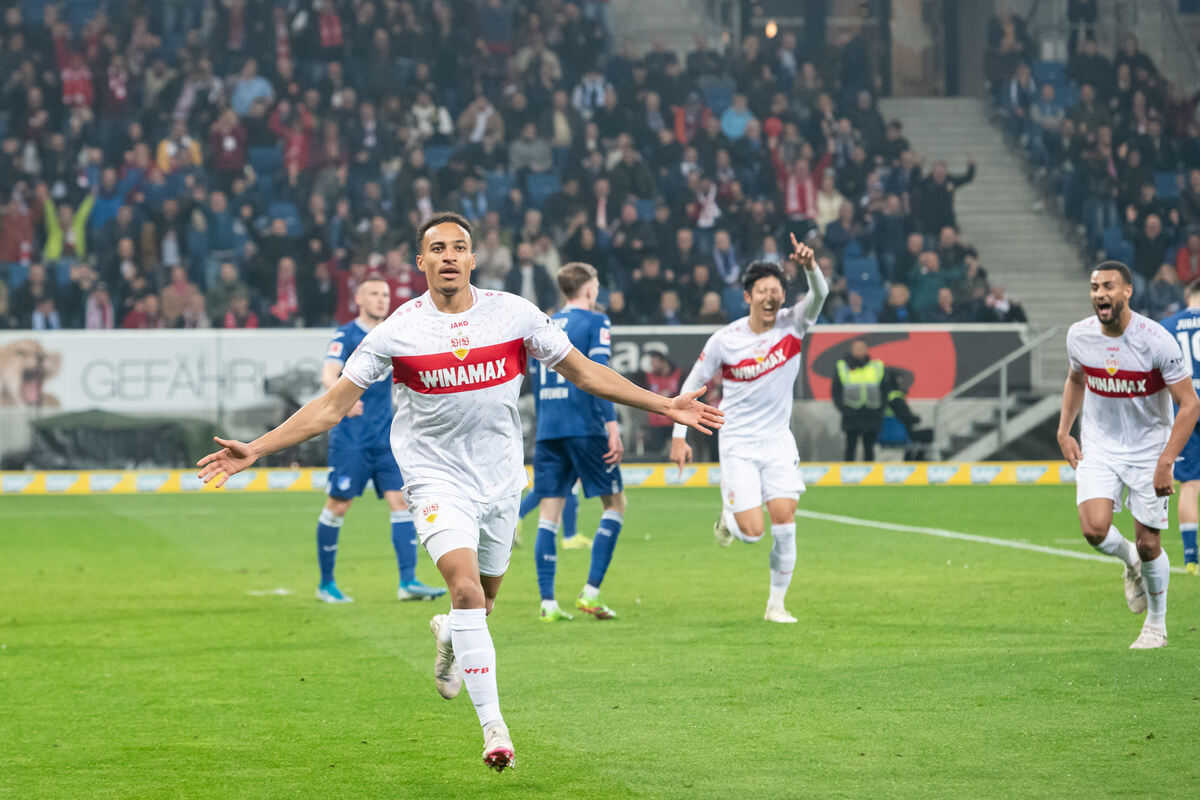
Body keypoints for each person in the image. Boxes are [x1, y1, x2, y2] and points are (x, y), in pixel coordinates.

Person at [197, 212, 722, 772]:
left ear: (473, 259)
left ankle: (449, 633)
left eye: (459, 247)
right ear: (420, 262)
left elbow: (586, 372)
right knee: (467, 590)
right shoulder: (398, 330)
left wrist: (665, 404)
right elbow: (329, 407)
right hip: (433, 477)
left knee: (484, 600)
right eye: (437, 248)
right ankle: (495, 728)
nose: (449, 256)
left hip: (499, 480)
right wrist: (257, 447)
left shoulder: (514, 314)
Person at [670, 234, 827, 623]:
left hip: (777, 441)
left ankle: (776, 604)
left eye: (777, 290)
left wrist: (811, 267)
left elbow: (821, 295)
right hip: (738, 442)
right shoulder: (726, 340)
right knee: (754, 533)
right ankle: (730, 517)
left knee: (786, 522)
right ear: (748, 297)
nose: (771, 297)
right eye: (763, 291)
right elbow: (692, 383)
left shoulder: (794, 324)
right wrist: (678, 436)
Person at [1057, 261, 1199, 650]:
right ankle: (1129, 561)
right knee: (1094, 530)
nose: (1100, 294)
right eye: (1094, 287)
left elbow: (1189, 405)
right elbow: (1075, 379)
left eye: (1108, 286)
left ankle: (1156, 625)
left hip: (1149, 449)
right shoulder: (1080, 337)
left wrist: (1166, 460)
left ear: (1127, 292)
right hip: (1100, 445)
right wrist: (1064, 430)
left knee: (1150, 543)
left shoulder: (1156, 340)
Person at [315, 274, 446, 604]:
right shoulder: (346, 335)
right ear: (358, 299)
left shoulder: (395, 333)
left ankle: (408, 582)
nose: (380, 299)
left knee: (401, 502)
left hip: (387, 438)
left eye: (385, 294)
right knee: (338, 505)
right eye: (373, 293)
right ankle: (326, 583)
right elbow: (328, 374)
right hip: (352, 440)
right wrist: (341, 397)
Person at [529, 262, 628, 622]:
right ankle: (590, 593)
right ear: (588, 289)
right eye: (597, 284)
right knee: (615, 505)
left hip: (549, 429)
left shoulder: (545, 323)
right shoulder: (596, 321)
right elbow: (598, 375)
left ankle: (548, 603)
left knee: (548, 514)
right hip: (585, 426)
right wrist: (612, 424)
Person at [1156, 278, 1200, 575]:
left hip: (1184, 409)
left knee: (1190, 486)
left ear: (1188, 295)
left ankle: (1191, 558)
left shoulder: (1168, 325)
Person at [831, 338, 886, 461]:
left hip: (872, 413)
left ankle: (870, 477)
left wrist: (879, 410)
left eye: (862, 348)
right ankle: (848, 477)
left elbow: (885, 390)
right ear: (852, 350)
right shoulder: (843, 367)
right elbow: (836, 391)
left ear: (867, 349)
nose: (860, 351)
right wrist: (844, 409)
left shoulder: (876, 366)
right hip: (851, 414)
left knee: (869, 448)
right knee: (850, 447)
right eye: (857, 348)